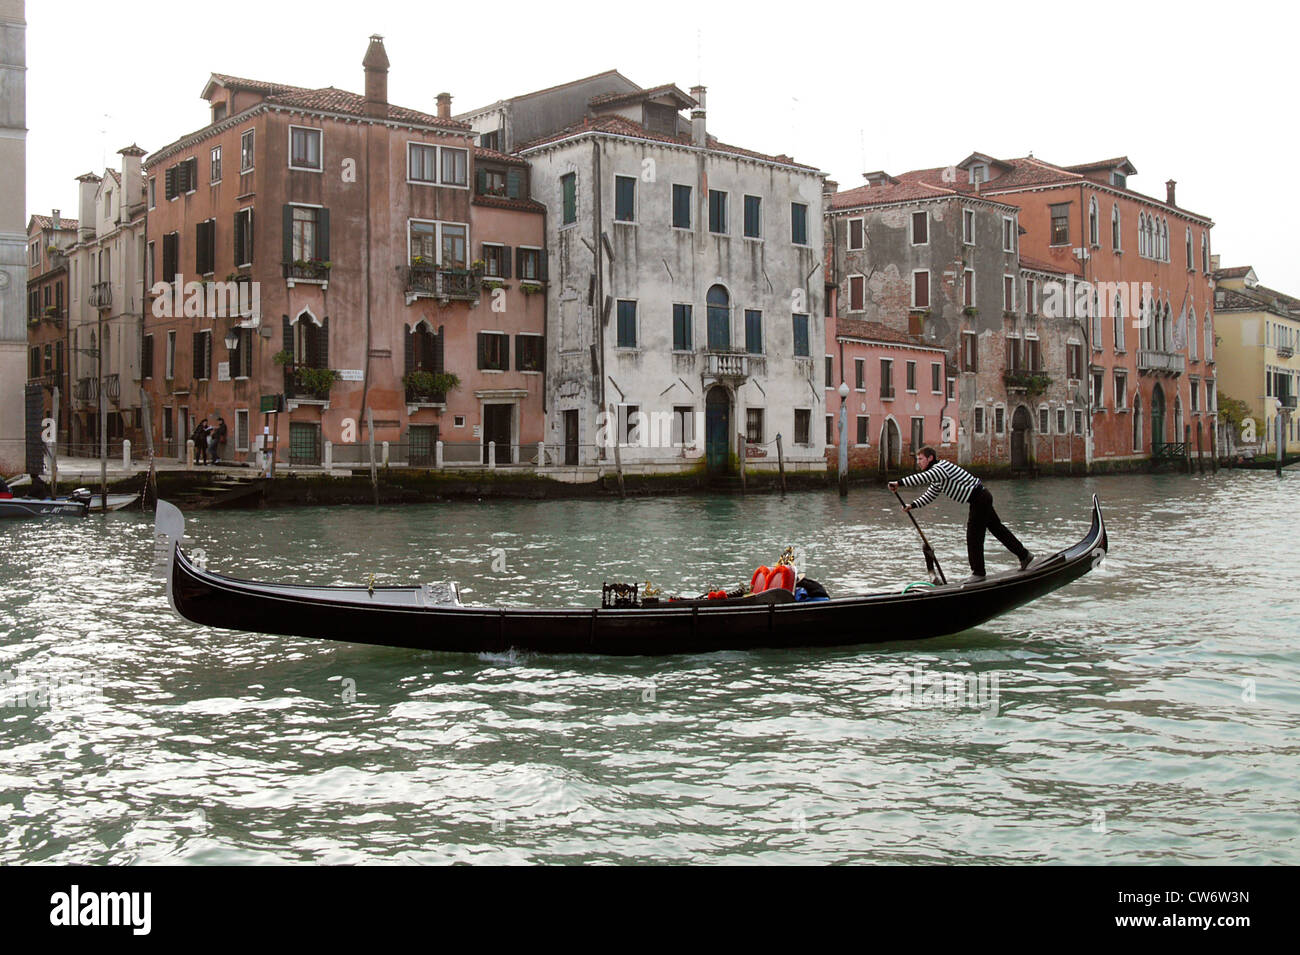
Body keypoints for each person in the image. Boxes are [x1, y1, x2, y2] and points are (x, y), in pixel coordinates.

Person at [888, 446, 1032, 583]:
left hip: (979, 499)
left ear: (930, 458)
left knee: (974, 536)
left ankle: (979, 573)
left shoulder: (940, 468)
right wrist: (912, 505)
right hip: (981, 497)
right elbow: (931, 494)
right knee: (997, 529)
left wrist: (899, 483)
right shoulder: (938, 475)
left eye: (920, 459)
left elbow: (922, 478)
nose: (918, 462)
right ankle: (1024, 555)